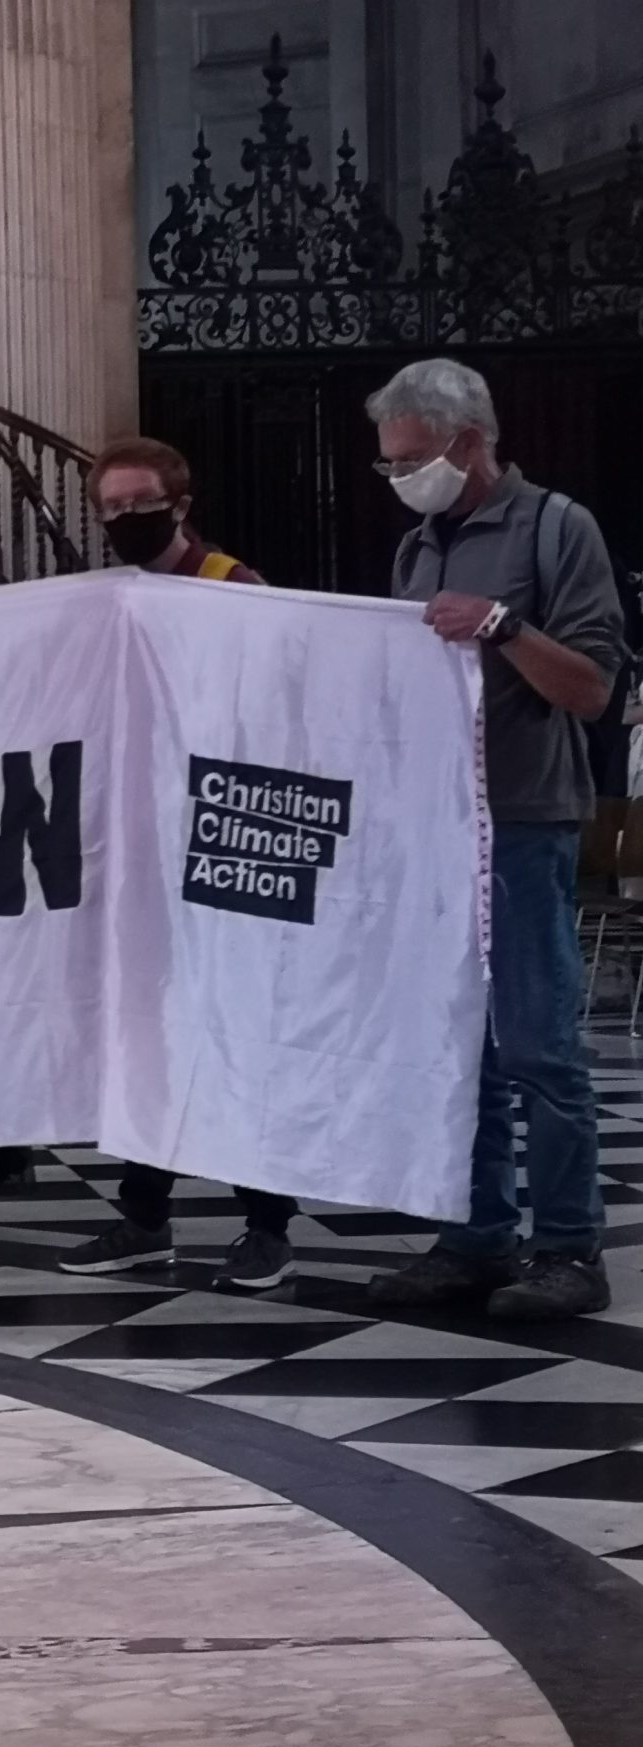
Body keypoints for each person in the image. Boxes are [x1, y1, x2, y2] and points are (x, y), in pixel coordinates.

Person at [363, 360, 628, 1322]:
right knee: (454, 1046)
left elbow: (592, 689)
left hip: (524, 819)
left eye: (412, 459)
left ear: (469, 442)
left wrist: (504, 624)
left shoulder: (558, 528)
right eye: (390, 465)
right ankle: (476, 1236)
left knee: (539, 1045)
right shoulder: (418, 545)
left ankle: (569, 1248)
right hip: (439, 827)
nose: (400, 478)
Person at [60, 437, 303, 1291]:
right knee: (144, 1034)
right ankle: (144, 1215)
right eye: (112, 509)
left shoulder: (232, 589)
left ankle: (268, 1224)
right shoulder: (114, 602)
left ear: (181, 506)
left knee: (234, 1034)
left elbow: (273, 704)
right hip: (141, 844)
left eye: (141, 504)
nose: (126, 519)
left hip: (219, 841)